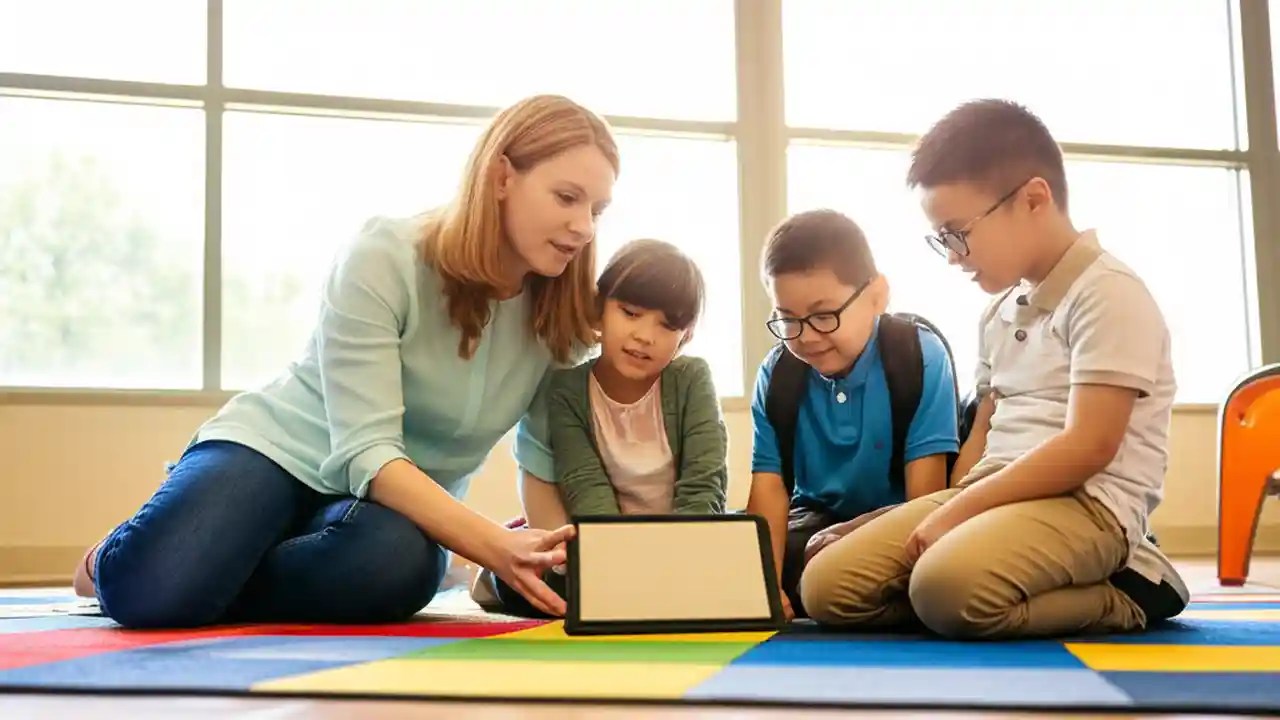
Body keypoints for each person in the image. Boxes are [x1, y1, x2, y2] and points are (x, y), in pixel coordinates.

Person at [71, 94, 620, 628]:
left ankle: (217, 563)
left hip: (392, 514)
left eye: (596, 209)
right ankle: (120, 559)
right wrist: (492, 545)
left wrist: (559, 564)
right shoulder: (388, 254)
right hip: (278, 452)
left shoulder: (564, 316)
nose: (584, 227)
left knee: (394, 568)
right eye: (566, 197)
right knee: (154, 594)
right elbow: (369, 453)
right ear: (502, 177)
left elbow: (543, 458)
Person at [799, 99, 1189, 639]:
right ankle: (963, 587)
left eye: (957, 232)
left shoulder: (1108, 293)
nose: (953, 256)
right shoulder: (999, 310)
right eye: (942, 240)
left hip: (1089, 506)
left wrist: (955, 517)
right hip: (997, 492)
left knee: (946, 587)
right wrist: (927, 511)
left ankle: (1130, 590)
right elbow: (984, 432)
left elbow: (1089, 446)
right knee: (825, 586)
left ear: (1033, 199)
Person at [481, 238, 729, 616]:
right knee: (534, 585)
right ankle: (496, 568)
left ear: (686, 336)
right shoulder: (567, 390)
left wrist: (680, 564)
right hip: (602, 547)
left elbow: (704, 483)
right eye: (630, 313)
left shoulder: (691, 379)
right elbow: (585, 489)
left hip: (678, 547)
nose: (645, 336)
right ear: (599, 311)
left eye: (666, 325)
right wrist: (617, 569)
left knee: (729, 571)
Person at [746, 209, 960, 621]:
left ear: (877, 296)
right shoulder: (778, 375)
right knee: (744, 557)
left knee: (920, 569)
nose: (806, 336)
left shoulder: (917, 356)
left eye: (824, 316)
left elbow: (925, 500)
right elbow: (769, 489)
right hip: (811, 524)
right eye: (788, 319)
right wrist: (764, 589)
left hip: (893, 524)